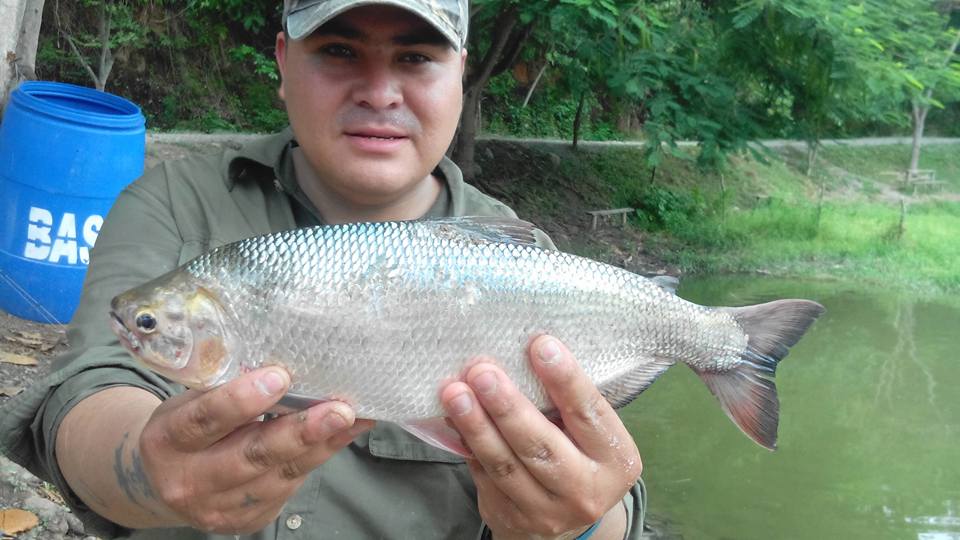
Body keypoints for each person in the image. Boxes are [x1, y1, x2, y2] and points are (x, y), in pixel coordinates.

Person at [0, 1, 646, 538]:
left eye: (417, 58)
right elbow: (84, 395)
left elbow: (608, 470)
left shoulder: (529, 260)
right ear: (283, 61)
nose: (380, 92)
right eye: (339, 51)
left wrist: (579, 524)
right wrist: (142, 470)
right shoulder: (169, 202)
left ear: (461, 74)